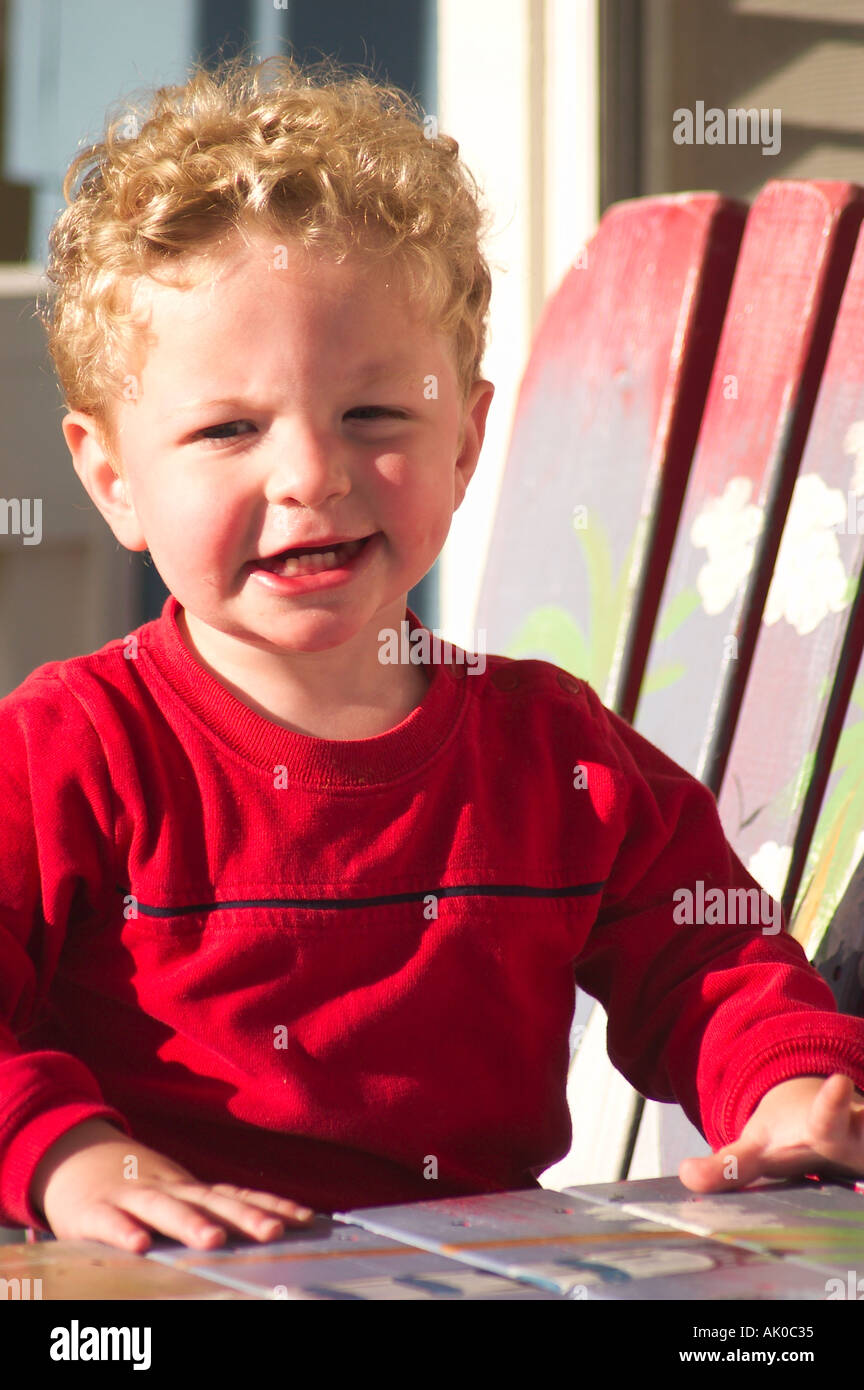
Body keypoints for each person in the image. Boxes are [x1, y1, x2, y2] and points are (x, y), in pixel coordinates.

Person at [1, 54, 863, 1257]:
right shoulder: (72, 750)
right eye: (228, 429)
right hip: (157, 1285)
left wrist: (783, 1084)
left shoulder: (550, 752)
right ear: (110, 478)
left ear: (465, 438)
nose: (312, 474)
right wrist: (64, 1154)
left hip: (478, 1273)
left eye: (374, 415)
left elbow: (709, 954)